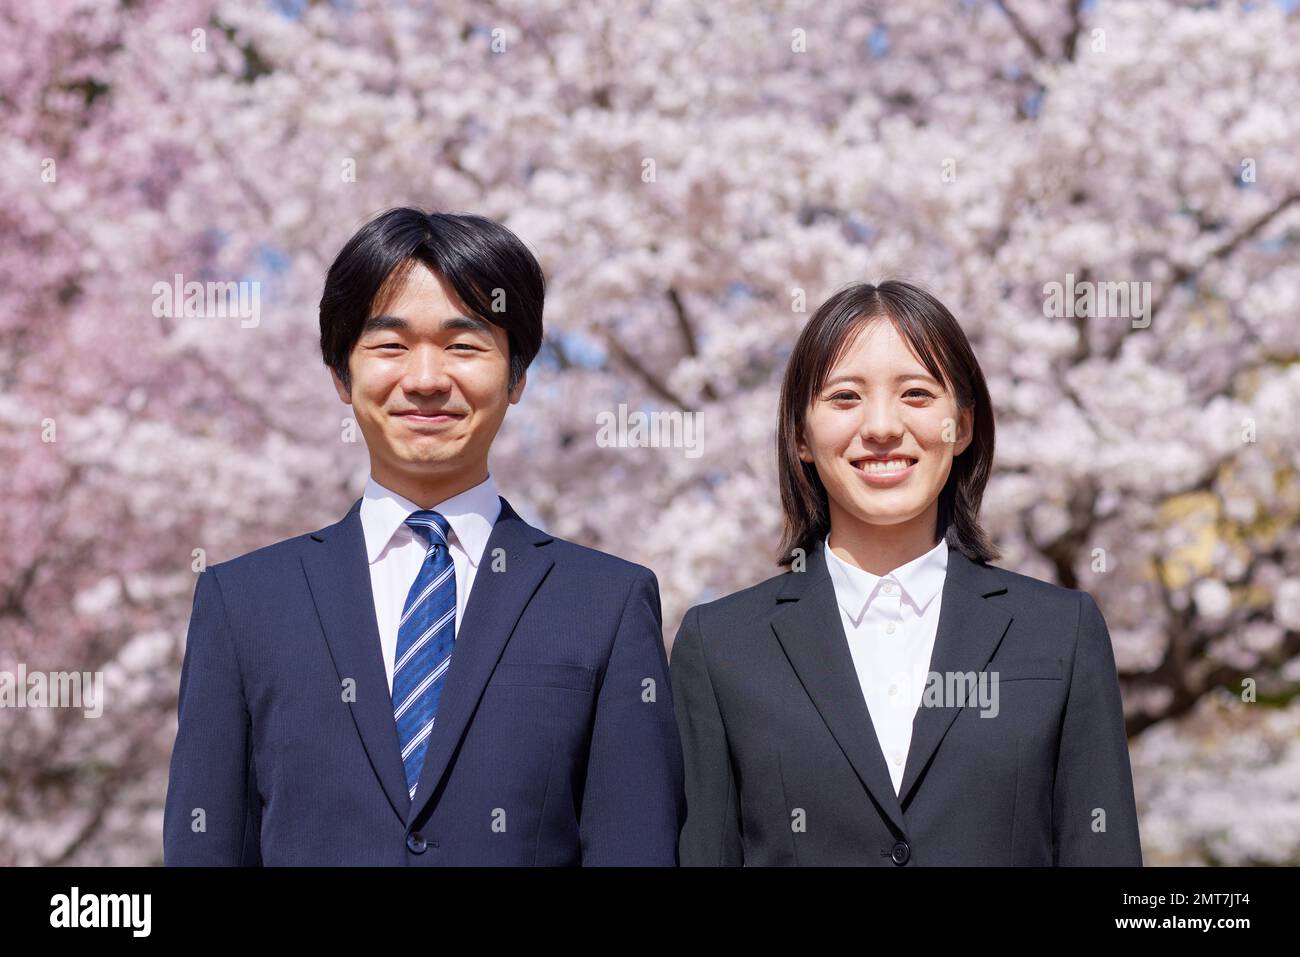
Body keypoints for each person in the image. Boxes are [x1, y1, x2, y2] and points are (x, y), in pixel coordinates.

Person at [164, 207, 683, 865]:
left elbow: (634, 847)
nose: (428, 379)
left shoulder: (605, 604)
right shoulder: (244, 605)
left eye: (464, 345)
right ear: (341, 375)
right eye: (390, 345)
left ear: (518, 374)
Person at [671, 279, 1142, 866]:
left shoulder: (1062, 633)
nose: (882, 427)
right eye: (845, 398)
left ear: (963, 427)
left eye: (916, 394)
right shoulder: (720, 646)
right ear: (800, 437)